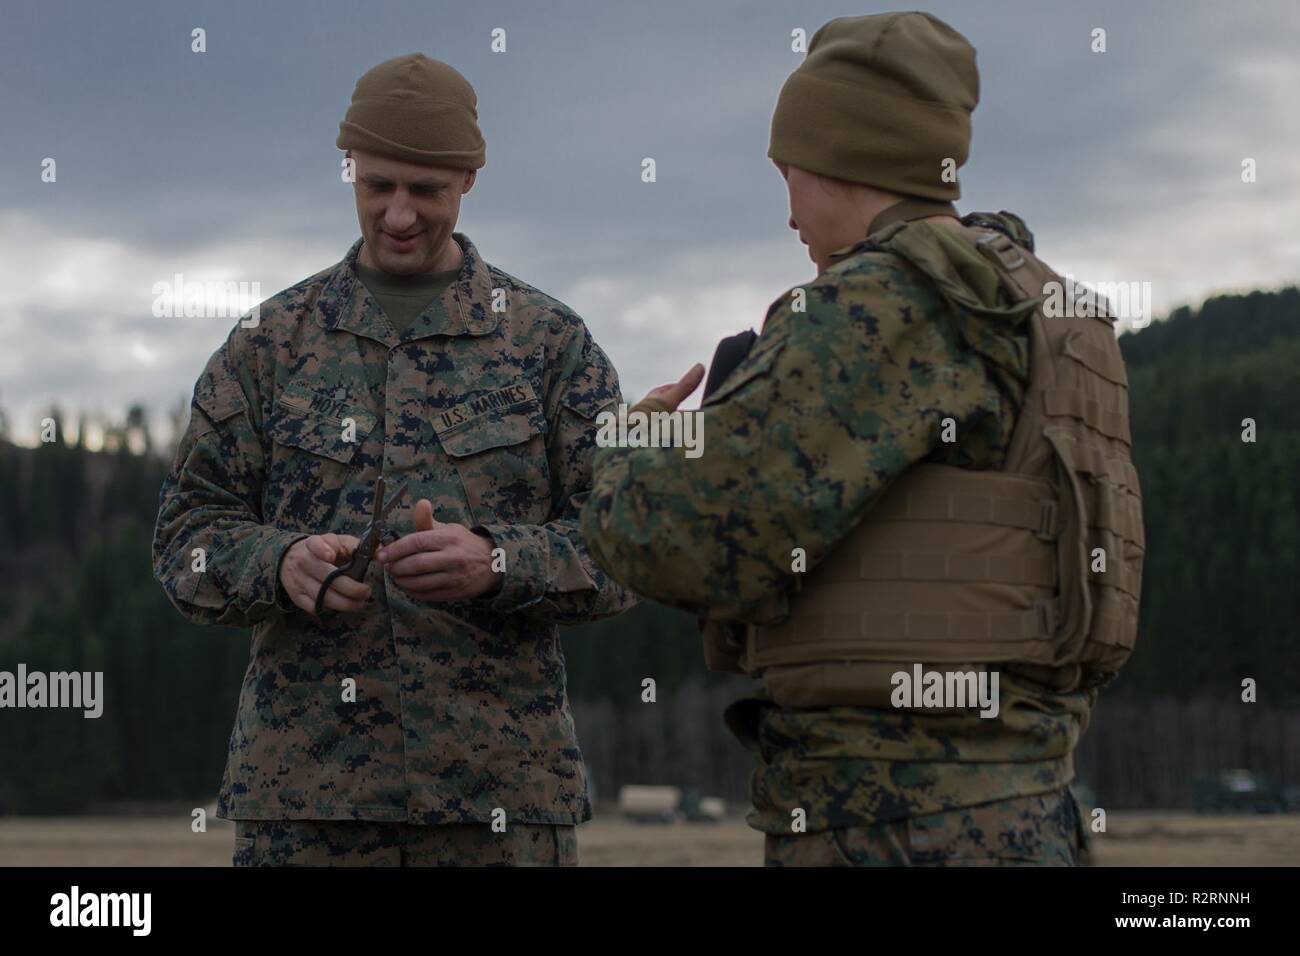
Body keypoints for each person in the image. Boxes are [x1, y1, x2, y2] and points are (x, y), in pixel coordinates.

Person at [580, 12, 1144, 866]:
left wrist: (631, 445)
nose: (791, 215)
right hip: (1027, 802)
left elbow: (688, 537)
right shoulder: (1042, 305)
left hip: (892, 822)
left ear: (837, 155)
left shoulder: (888, 301)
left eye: (789, 175)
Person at [153, 54, 633, 866]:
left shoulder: (549, 346)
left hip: (499, 805)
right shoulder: (271, 344)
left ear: (468, 180)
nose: (400, 214)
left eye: (426, 191)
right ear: (349, 172)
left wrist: (500, 561)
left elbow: (625, 545)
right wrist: (279, 564)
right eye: (378, 187)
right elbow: (185, 537)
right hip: (307, 807)